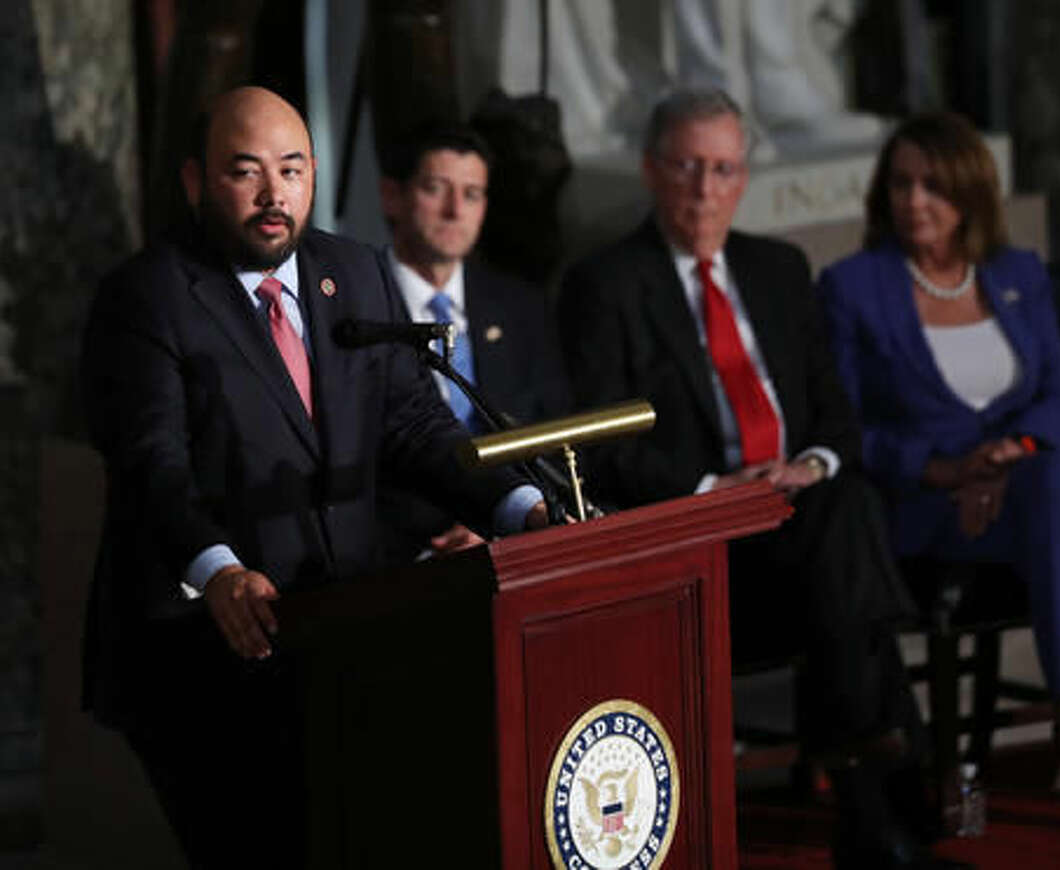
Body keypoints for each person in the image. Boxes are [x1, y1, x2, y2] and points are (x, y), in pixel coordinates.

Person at [80, 86, 547, 867]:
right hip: (204, 653)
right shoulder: (148, 297)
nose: (274, 196)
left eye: (292, 171)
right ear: (196, 183)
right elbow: (149, 464)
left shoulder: (353, 272)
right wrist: (219, 570)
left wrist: (520, 505)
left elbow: (414, 427)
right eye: (247, 172)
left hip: (341, 628)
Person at [558, 88, 965, 869]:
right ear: (650, 170)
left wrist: (807, 467)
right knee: (848, 529)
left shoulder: (779, 269)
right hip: (700, 536)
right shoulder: (603, 285)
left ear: (744, 179)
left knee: (839, 499)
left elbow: (835, 424)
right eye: (686, 167)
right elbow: (603, 451)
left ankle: (872, 808)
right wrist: (720, 487)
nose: (705, 189)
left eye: (722, 169)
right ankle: (888, 779)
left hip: (801, 523)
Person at [818, 112, 1060, 836]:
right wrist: (946, 469)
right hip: (924, 506)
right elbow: (847, 425)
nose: (914, 200)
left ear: (971, 193)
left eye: (934, 185)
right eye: (901, 183)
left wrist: (1011, 454)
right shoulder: (854, 287)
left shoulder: (1017, 275)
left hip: (1022, 491)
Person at [376, 123, 571, 559]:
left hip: (522, 539)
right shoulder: (356, 306)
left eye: (471, 194)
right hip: (403, 557)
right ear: (393, 196)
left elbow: (555, 435)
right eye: (435, 189)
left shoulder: (521, 307)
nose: (454, 211)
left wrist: (506, 523)